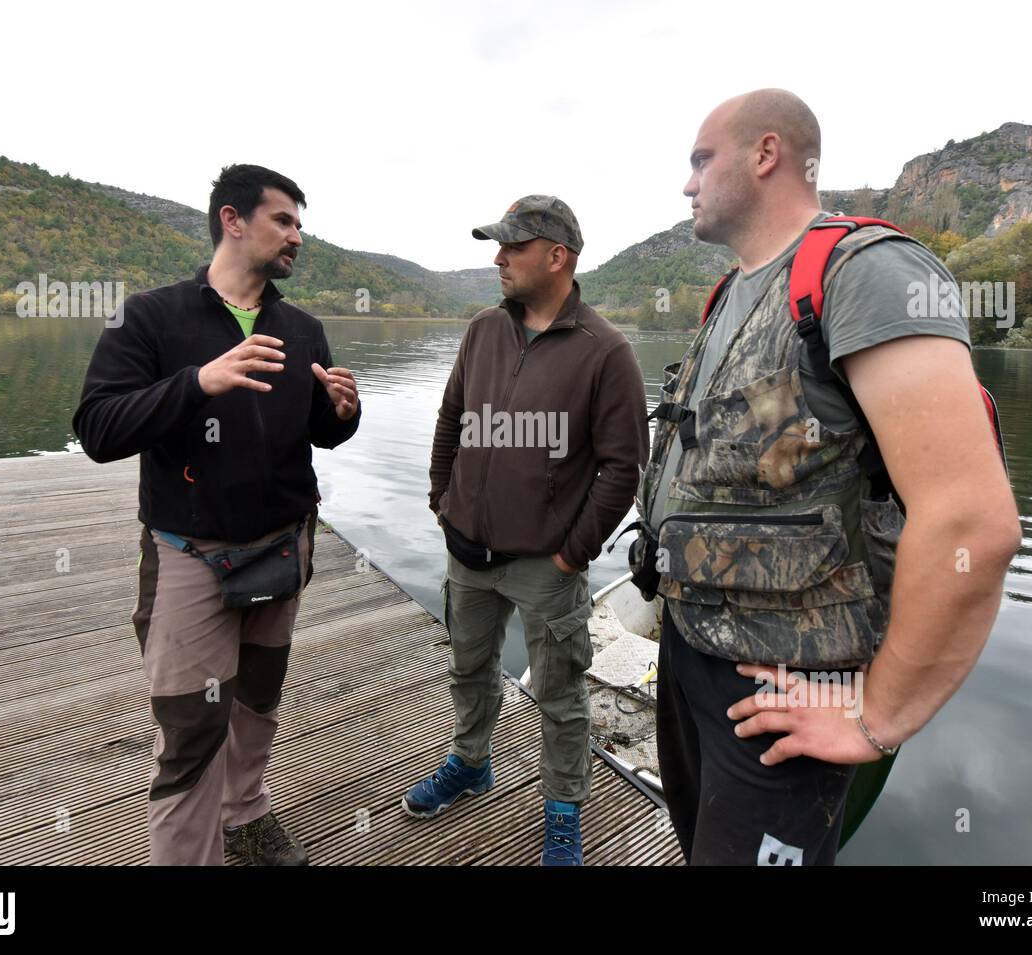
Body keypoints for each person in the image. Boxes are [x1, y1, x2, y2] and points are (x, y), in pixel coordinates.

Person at [643, 90, 1021, 864]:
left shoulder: (864, 272)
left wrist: (876, 716)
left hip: (788, 690)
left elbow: (971, 527)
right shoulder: (730, 296)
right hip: (690, 661)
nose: (687, 184)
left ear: (766, 154)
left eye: (699, 160)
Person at [73, 164, 361, 865]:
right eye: (283, 221)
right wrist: (197, 382)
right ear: (233, 220)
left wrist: (343, 412)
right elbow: (99, 429)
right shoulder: (150, 316)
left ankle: (247, 814)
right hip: (189, 555)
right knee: (192, 727)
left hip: (284, 547)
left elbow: (321, 432)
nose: (297, 236)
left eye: (300, 223)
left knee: (258, 699)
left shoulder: (302, 328)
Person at [407, 195, 649, 865]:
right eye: (497, 245)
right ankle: (470, 762)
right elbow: (452, 417)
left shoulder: (607, 351)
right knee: (468, 668)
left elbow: (622, 466)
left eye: (512, 247)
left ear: (556, 256)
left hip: (547, 564)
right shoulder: (484, 328)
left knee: (562, 694)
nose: (498, 258)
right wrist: (441, 497)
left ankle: (563, 809)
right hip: (466, 550)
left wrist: (572, 554)